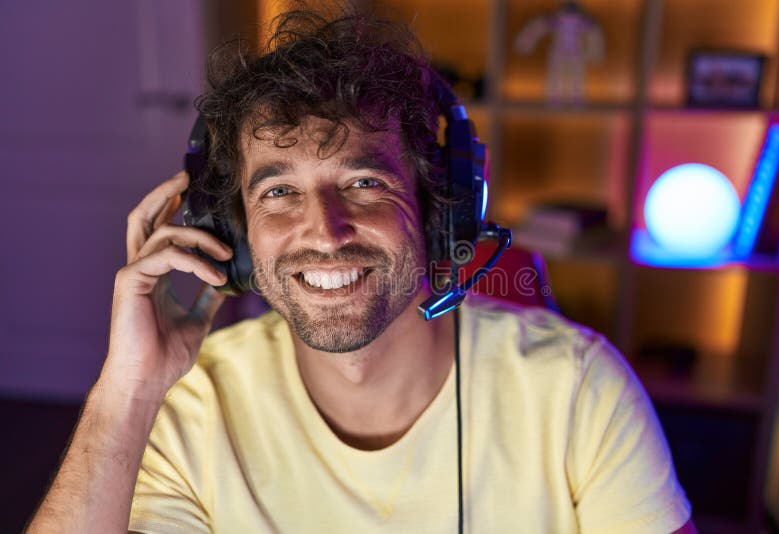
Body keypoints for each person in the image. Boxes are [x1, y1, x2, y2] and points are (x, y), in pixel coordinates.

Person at [28, 8, 696, 534]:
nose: (324, 229)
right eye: (278, 192)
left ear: (439, 211)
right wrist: (126, 393)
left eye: (365, 181)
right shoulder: (186, 408)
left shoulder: (577, 392)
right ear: (230, 231)